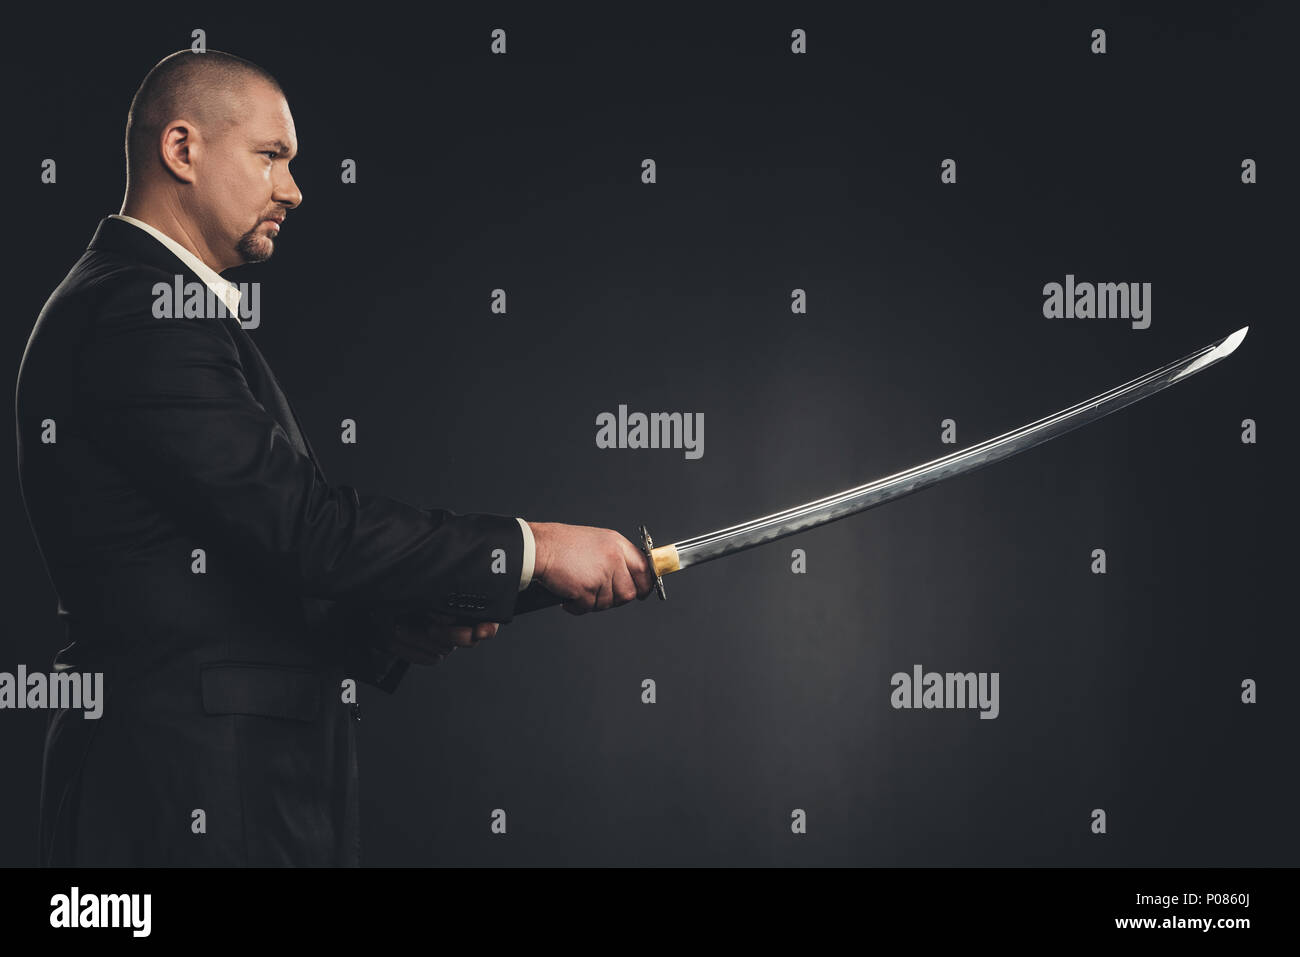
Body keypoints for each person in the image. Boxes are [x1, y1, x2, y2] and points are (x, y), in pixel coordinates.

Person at [15, 49, 654, 866]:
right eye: (270, 156)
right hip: (184, 805)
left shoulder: (147, 305)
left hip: (203, 794)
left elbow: (226, 563)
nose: (293, 188)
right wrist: (536, 546)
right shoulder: (139, 312)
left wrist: (391, 616)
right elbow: (304, 528)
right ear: (182, 150)